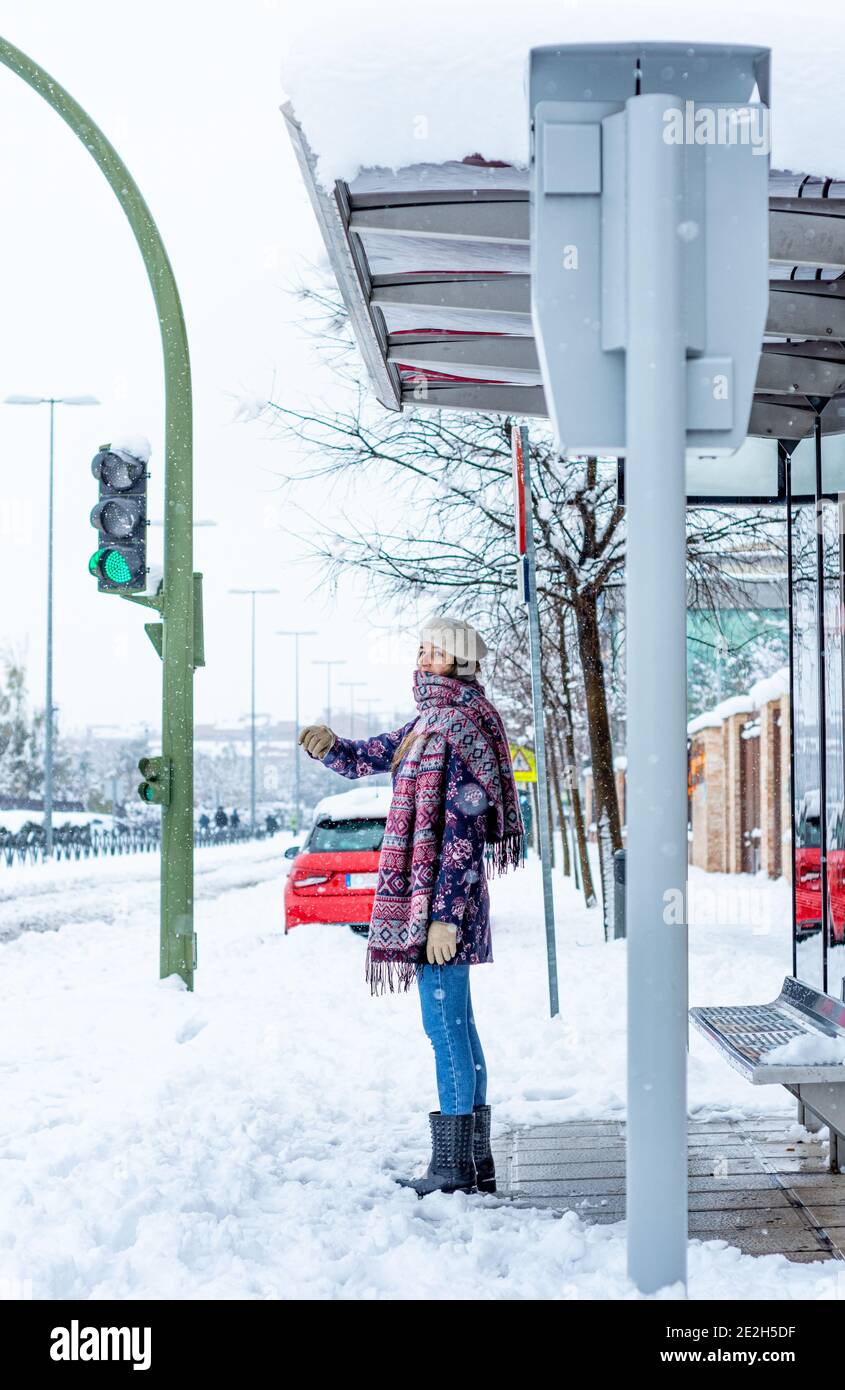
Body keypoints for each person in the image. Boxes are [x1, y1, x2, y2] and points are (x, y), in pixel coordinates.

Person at [299, 616, 524, 1199]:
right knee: (459, 1027)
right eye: (420, 650)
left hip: (443, 905)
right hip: (439, 901)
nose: (420, 659)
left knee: (444, 1028)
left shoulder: (459, 725)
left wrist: (445, 917)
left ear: (456, 661)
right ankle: (474, 1163)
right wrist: (333, 750)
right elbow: (374, 752)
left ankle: (453, 1169)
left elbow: (463, 828)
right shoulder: (432, 722)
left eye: (431, 651)